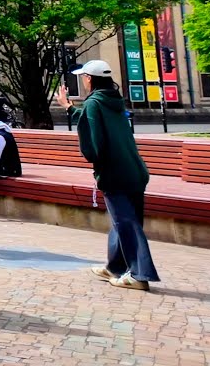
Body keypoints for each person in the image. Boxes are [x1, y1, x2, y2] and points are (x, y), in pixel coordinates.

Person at [56, 60, 159, 291]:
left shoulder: (94, 102)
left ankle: (139, 274)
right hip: (134, 169)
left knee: (126, 222)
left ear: (89, 79)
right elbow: (93, 120)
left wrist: (96, 162)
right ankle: (115, 266)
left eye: (84, 77)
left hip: (114, 172)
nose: (83, 80)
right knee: (122, 219)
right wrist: (70, 108)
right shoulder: (112, 100)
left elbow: (94, 140)